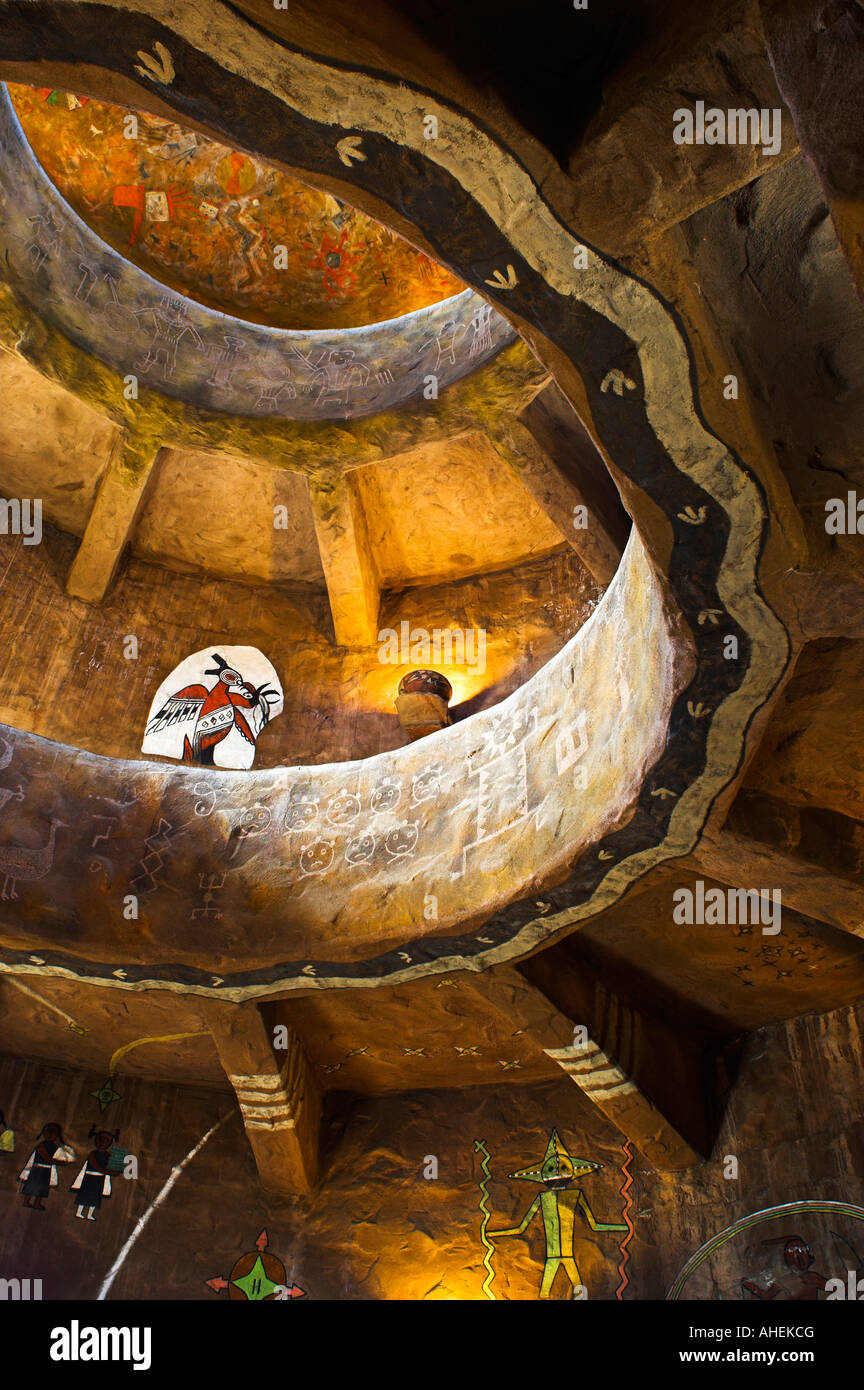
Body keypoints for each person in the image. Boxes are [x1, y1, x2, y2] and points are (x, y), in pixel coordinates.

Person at [19, 1122, 73, 1209]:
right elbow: (46, 1158)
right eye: (48, 1132)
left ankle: (37, 1203)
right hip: (37, 1170)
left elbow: (57, 1156)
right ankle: (26, 1201)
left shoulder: (55, 1147)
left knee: (42, 1188)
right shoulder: (41, 1145)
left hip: (46, 1171)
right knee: (32, 1186)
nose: (50, 1134)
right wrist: (58, 1162)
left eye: (53, 1132)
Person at [70, 1127, 118, 1221]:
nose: (103, 1143)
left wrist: (115, 1170)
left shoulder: (107, 1155)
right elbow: (96, 1166)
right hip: (89, 1178)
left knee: (95, 1198)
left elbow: (111, 1166)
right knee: (85, 1196)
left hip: (99, 1180)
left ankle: (89, 1214)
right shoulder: (93, 1154)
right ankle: (79, 1212)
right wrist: (109, 1172)